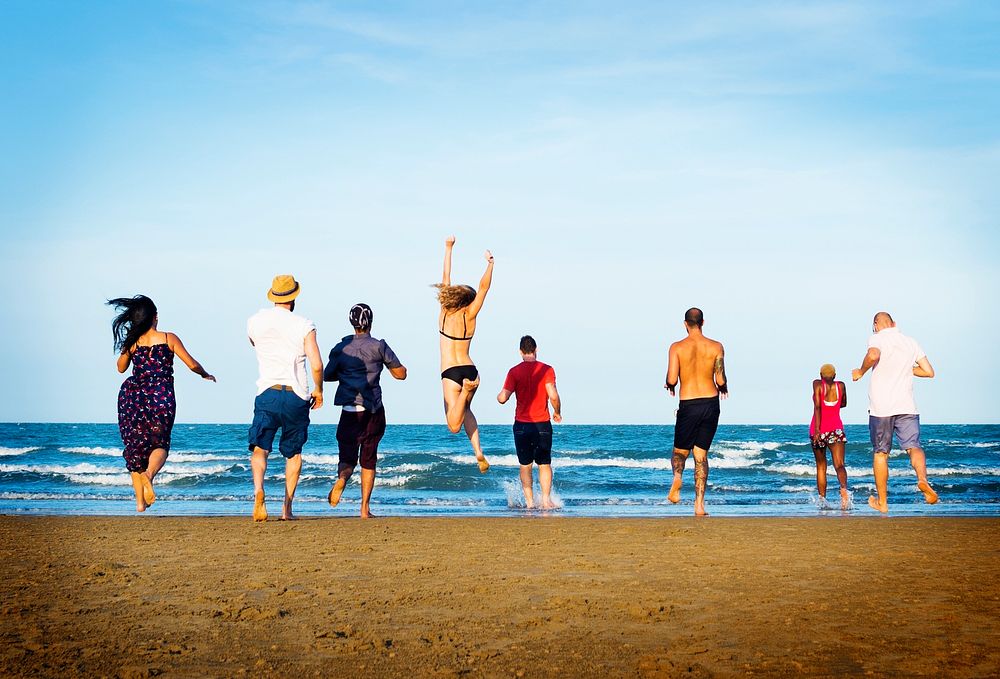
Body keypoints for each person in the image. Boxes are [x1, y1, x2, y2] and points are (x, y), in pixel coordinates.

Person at [108, 295, 215, 513]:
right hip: (161, 396)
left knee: (135, 449)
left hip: (133, 396)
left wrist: (128, 345)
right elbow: (192, 364)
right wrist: (204, 374)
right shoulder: (168, 338)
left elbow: (120, 368)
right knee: (160, 443)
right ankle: (149, 475)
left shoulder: (133, 342)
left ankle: (140, 503)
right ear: (155, 317)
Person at [247, 275, 324, 522]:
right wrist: (319, 390)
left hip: (267, 391)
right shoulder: (304, 324)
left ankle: (259, 491)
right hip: (296, 394)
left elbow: (253, 343)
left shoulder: (255, 321)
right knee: (293, 453)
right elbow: (317, 364)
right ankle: (286, 509)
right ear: (294, 297)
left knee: (260, 449)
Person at [324, 303, 407, 518]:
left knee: (347, 458)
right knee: (369, 459)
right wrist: (391, 366)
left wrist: (346, 371)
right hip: (372, 409)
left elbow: (327, 375)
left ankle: (342, 479)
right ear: (370, 322)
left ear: (351, 322)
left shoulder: (340, 348)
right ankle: (364, 509)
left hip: (348, 410)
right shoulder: (379, 346)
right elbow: (401, 374)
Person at [852, 311, 938, 513]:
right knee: (913, 447)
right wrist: (907, 368)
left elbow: (873, 355)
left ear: (876, 325)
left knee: (881, 453)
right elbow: (928, 371)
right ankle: (923, 480)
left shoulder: (877, 338)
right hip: (907, 405)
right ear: (894, 323)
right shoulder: (910, 342)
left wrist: (861, 371)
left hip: (882, 408)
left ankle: (883, 502)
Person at [434, 235, 493, 473]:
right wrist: (490, 264)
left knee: (453, 424)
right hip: (470, 369)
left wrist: (448, 248)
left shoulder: (446, 312)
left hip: (451, 372)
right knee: (466, 409)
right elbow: (484, 288)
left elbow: (445, 278)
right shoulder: (471, 316)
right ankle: (478, 451)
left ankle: (466, 390)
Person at [664, 307, 727, 516]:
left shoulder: (677, 347)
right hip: (710, 404)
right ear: (703, 322)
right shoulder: (716, 346)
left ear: (685, 324)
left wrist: (670, 385)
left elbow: (672, 379)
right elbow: (720, 379)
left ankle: (677, 479)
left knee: (680, 452)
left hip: (689, 403)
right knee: (701, 455)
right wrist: (724, 388)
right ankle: (699, 506)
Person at [497, 335, 562, 509]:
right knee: (544, 463)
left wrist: (499, 396)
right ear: (536, 349)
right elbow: (553, 395)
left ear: (520, 351)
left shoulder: (514, 371)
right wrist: (557, 411)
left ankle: (530, 503)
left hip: (521, 425)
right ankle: (546, 501)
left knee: (525, 465)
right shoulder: (547, 370)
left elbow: (502, 398)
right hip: (542, 424)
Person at [810, 364, 850, 510]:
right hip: (836, 429)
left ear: (820, 375)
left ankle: (822, 500)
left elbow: (818, 406)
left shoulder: (817, 384)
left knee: (821, 466)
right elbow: (843, 403)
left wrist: (817, 431)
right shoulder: (841, 386)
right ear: (835, 375)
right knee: (839, 464)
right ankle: (844, 491)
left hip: (818, 430)